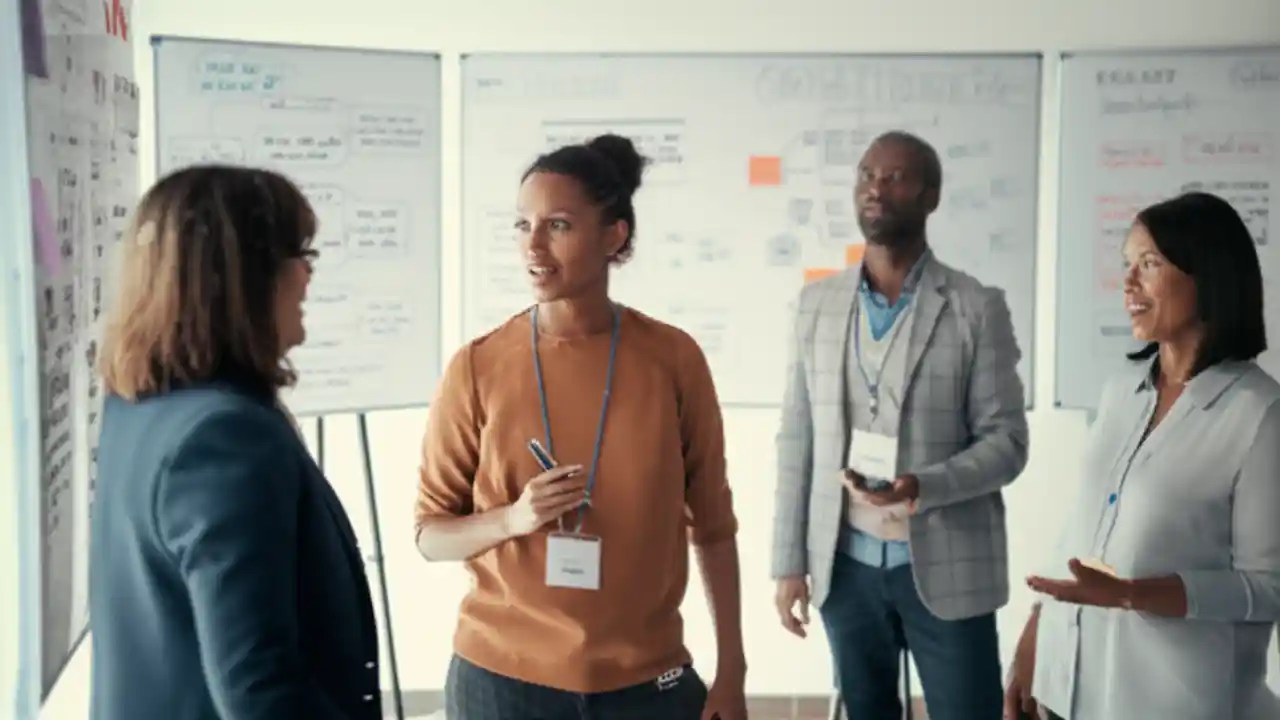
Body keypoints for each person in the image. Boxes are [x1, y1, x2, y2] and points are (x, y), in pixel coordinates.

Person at [415, 134, 748, 720]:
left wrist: (731, 672)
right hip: (502, 682)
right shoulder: (478, 365)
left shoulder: (673, 359)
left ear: (614, 236)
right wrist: (514, 519)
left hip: (650, 684)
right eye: (522, 225)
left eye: (559, 226)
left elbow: (715, 529)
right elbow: (431, 534)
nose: (533, 247)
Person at [90, 166, 382, 719]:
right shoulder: (226, 437)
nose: (307, 277)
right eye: (303, 257)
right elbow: (259, 689)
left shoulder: (138, 404)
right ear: (247, 277)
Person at [771, 130, 1029, 719]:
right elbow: (797, 442)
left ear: (931, 196)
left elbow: (1008, 444)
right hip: (846, 568)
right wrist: (789, 564)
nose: (876, 188)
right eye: (866, 175)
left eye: (895, 177)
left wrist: (924, 486)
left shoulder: (974, 306)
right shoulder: (817, 305)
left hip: (945, 564)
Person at [1006, 192, 1280, 720]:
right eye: (1127, 264)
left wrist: (1135, 594)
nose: (1128, 284)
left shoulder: (1259, 414)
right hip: (1071, 687)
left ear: (1208, 276)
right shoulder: (1120, 391)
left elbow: (1268, 588)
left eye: (1149, 264)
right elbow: (1082, 531)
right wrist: (1034, 638)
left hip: (1170, 702)